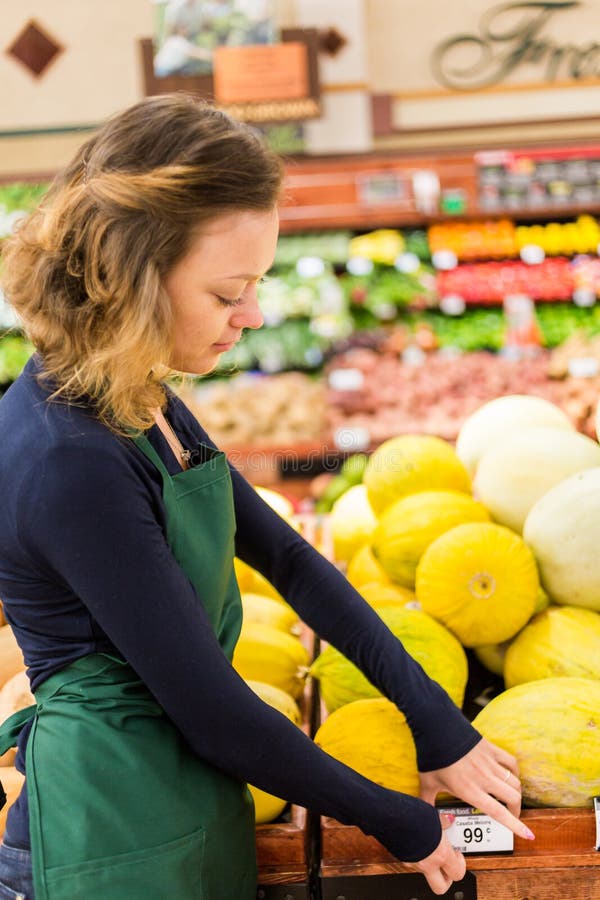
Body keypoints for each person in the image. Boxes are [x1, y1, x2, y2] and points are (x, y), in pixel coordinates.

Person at [0, 93, 533, 900]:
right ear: (128, 276)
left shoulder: (133, 393)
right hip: (102, 834)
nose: (251, 315)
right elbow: (214, 710)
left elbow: (286, 554)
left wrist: (432, 717)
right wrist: (403, 821)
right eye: (226, 293)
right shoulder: (68, 458)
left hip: (183, 797)